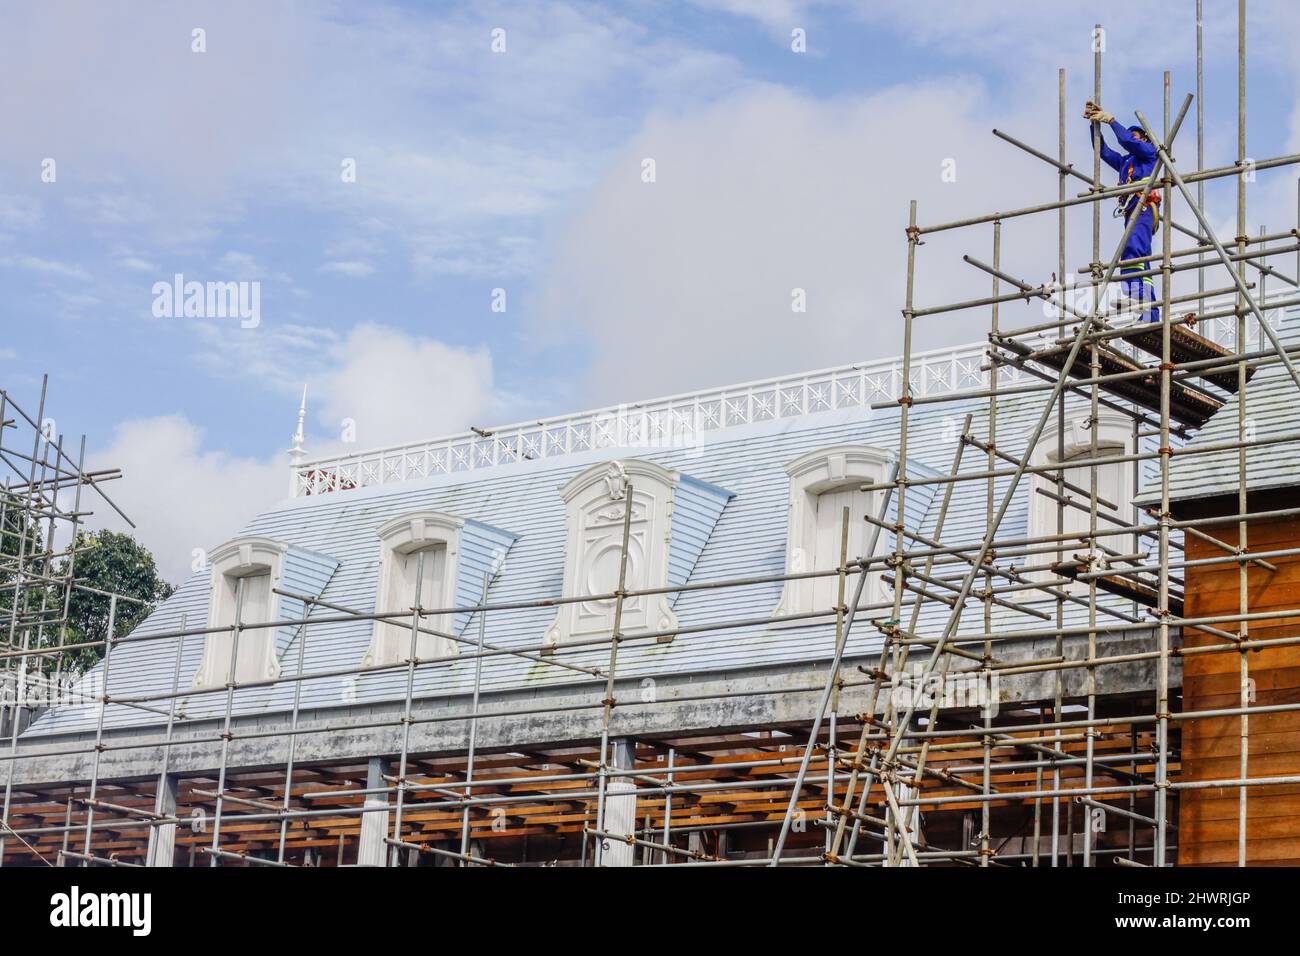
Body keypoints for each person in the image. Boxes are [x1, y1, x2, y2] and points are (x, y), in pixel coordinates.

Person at [1084, 100, 1161, 323]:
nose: (1132, 137)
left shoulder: (1150, 153)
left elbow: (1127, 141)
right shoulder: (1127, 162)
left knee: (1131, 251)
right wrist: (1094, 125)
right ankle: (1149, 313)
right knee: (1140, 260)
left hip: (1144, 206)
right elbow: (1104, 152)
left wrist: (1111, 121)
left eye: (1136, 135)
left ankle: (1136, 297)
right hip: (1132, 209)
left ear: (1144, 139)